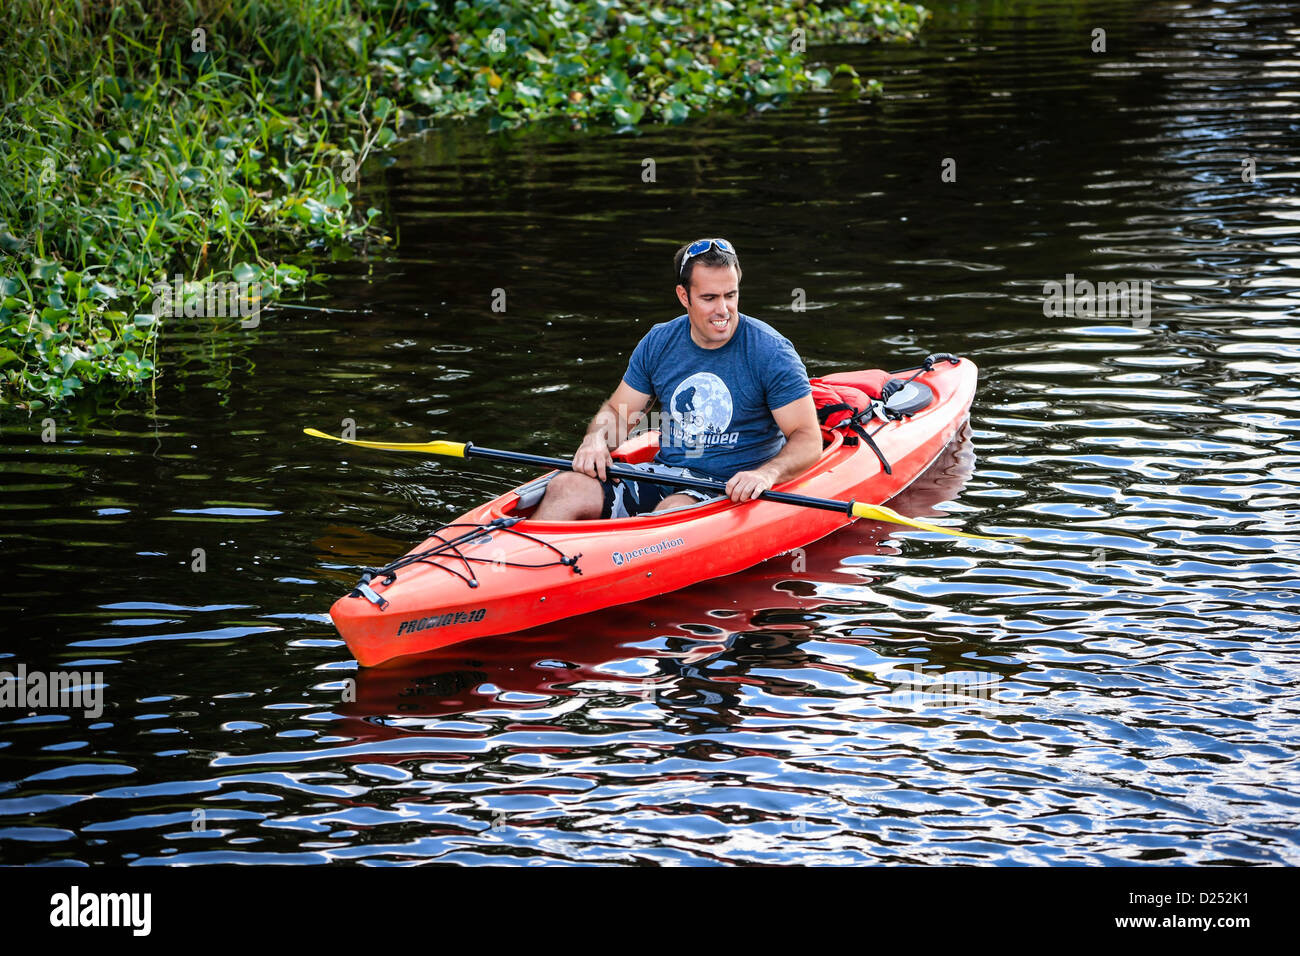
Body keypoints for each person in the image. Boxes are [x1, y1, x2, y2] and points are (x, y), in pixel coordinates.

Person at [532, 238, 822, 521]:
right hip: (665, 474)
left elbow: (808, 439)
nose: (723, 309)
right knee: (566, 487)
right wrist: (595, 440)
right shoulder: (659, 341)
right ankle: (523, 564)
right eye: (709, 298)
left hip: (727, 487)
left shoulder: (771, 352)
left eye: (730, 295)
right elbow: (619, 414)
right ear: (684, 296)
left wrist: (765, 474)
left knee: (672, 509)